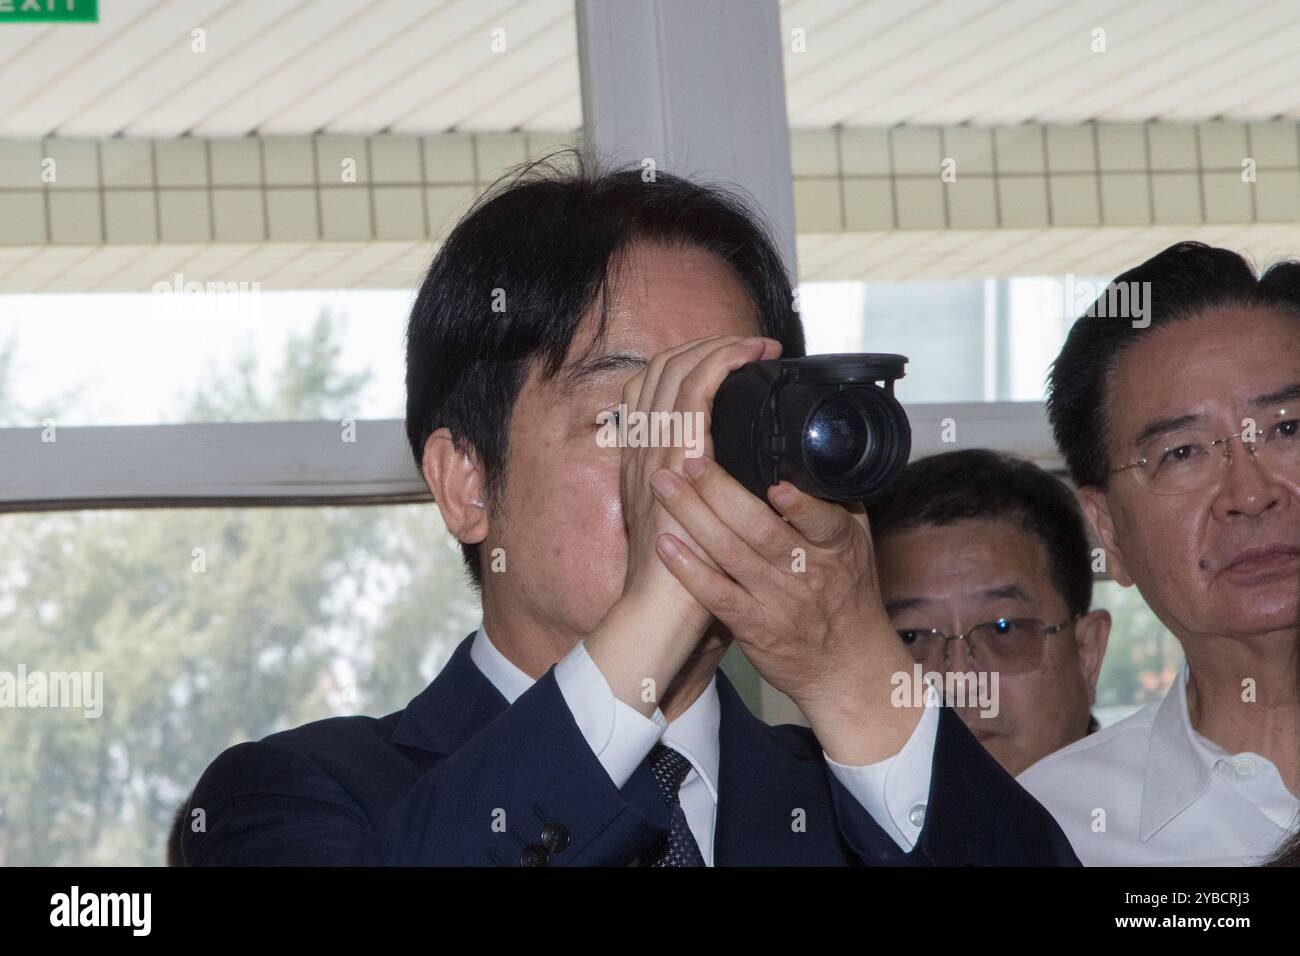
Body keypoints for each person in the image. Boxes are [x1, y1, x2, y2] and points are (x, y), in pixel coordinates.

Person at [183, 153, 1077, 867]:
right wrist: (658, 607)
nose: (685, 462)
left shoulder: (860, 796)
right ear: (465, 483)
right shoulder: (304, 795)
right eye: (630, 417)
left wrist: (849, 668)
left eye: (723, 414)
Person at [1019, 241, 1300, 865]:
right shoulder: (1050, 829)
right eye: (1181, 453)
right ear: (1110, 533)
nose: (1250, 495)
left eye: (1287, 428)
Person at [869, 449, 1110, 776]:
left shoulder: (1175, 824)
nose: (957, 682)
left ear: (1088, 654)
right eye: (911, 637)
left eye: (1003, 629)